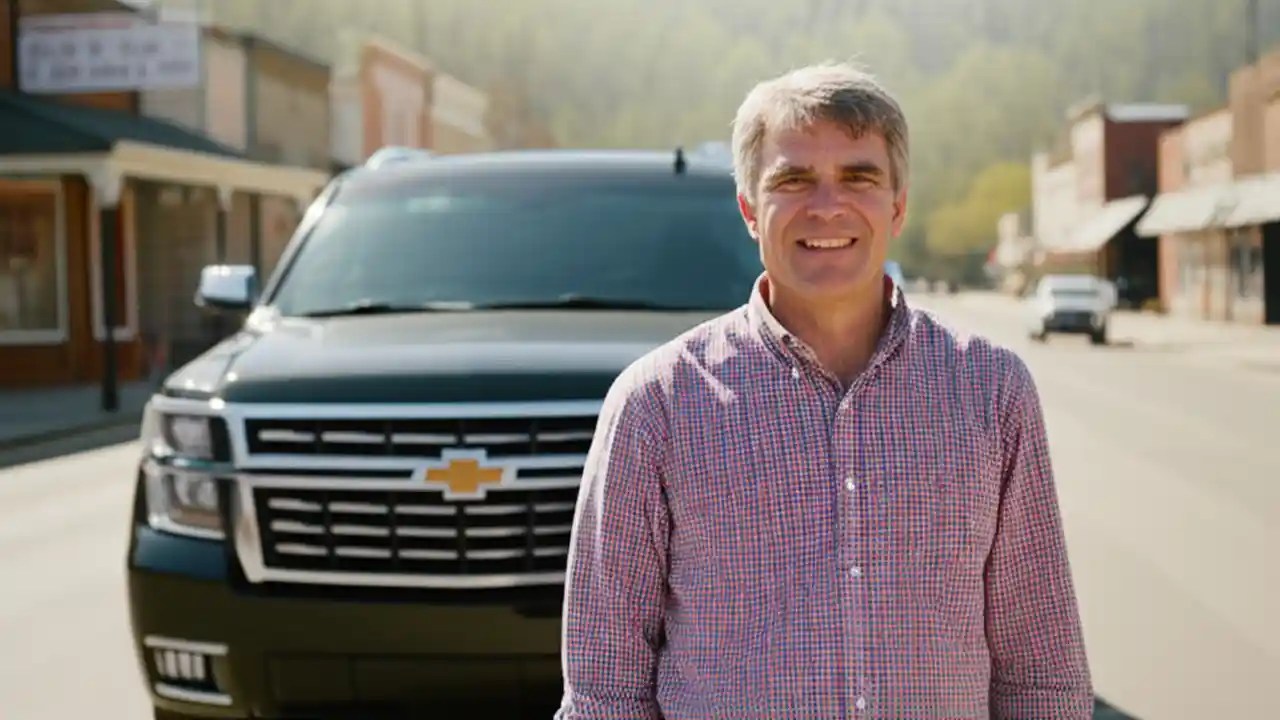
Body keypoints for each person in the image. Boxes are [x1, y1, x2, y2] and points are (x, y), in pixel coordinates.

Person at [555, 62, 1093, 719]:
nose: (827, 205)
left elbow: (1041, 675)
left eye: (858, 177)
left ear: (898, 205)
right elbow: (605, 691)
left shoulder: (990, 391)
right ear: (750, 208)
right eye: (794, 179)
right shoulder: (656, 404)